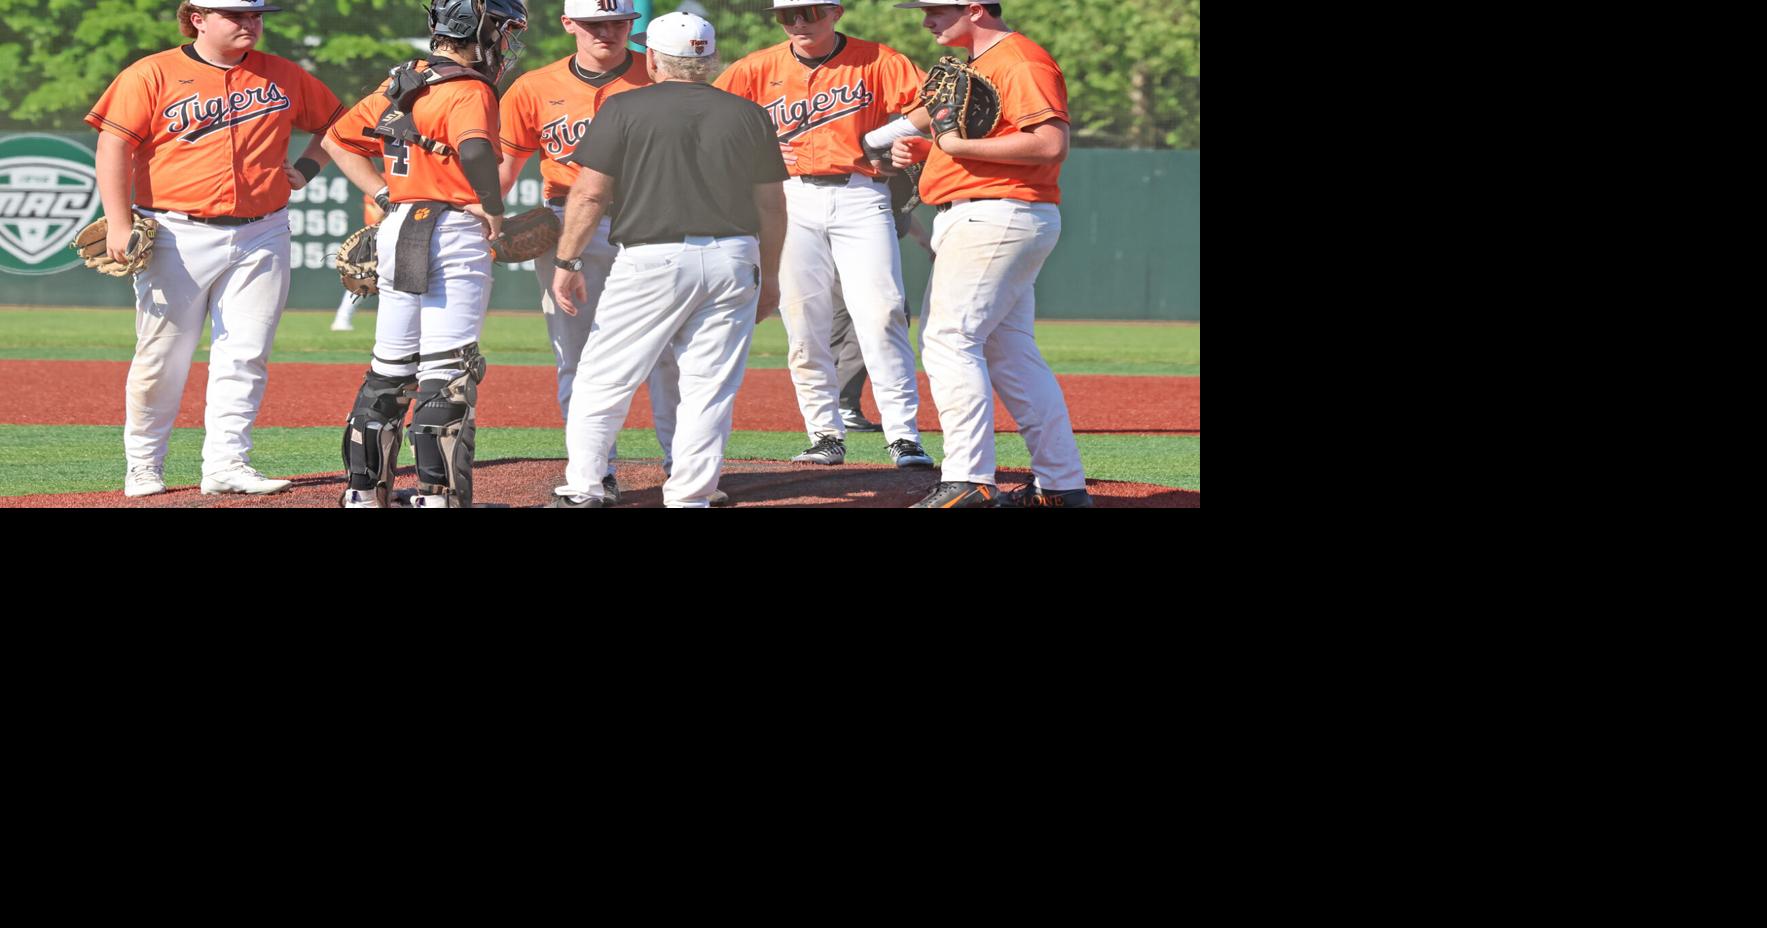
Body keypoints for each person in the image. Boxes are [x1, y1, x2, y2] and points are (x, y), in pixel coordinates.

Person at [87, 0, 343, 498]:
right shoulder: (152, 74)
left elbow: (339, 124)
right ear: (197, 18)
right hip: (176, 232)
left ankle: (227, 463)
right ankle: (143, 465)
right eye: (235, 15)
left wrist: (306, 170)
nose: (250, 23)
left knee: (246, 352)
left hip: (263, 231)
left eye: (255, 15)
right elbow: (113, 145)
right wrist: (119, 222)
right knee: (163, 354)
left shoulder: (283, 75)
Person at [548, 10, 787, 508]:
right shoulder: (748, 113)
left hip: (652, 258)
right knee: (708, 385)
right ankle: (691, 495)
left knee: (603, 376)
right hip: (733, 257)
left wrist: (567, 262)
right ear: (710, 58)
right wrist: (772, 276)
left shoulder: (624, 107)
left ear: (653, 57)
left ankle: (585, 487)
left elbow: (590, 195)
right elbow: (771, 206)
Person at [321, 0, 528, 508]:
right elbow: (476, 151)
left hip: (400, 225)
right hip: (453, 228)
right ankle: (440, 498)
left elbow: (336, 140)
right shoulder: (470, 87)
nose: (505, 41)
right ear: (476, 27)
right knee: (448, 370)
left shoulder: (404, 79)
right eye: (503, 29)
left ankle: (364, 493)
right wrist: (493, 210)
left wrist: (386, 194)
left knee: (389, 367)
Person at [713, 0, 935, 471]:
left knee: (883, 312)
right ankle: (824, 434)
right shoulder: (755, 68)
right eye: (786, 16)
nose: (797, 23)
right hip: (789, 198)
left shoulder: (880, 60)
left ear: (834, 12)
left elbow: (931, 110)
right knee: (802, 323)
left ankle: (904, 436)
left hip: (862, 194)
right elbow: (712, 117)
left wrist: (894, 139)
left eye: (809, 13)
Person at [889, 1, 1091, 508]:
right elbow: (977, 144)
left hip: (996, 215)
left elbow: (1049, 144)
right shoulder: (976, 65)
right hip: (991, 213)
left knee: (949, 340)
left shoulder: (1019, 60)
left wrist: (952, 145)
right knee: (1012, 352)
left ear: (975, 9)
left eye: (937, 10)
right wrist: (929, 149)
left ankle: (969, 481)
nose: (926, 21)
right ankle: (1061, 485)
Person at [497, 0, 680, 504]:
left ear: (631, 24)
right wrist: (483, 217)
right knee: (575, 352)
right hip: (565, 224)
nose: (608, 32)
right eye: (595, 23)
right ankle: (595, 471)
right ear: (569, 25)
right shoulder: (533, 86)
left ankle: (681, 467)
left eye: (618, 22)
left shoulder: (661, 73)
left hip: (649, 217)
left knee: (667, 352)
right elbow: (505, 170)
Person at [330, 192, 385, 331]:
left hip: (384, 236)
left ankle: (342, 319)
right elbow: (378, 214)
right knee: (364, 279)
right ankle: (342, 319)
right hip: (377, 237)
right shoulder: (382, 183)